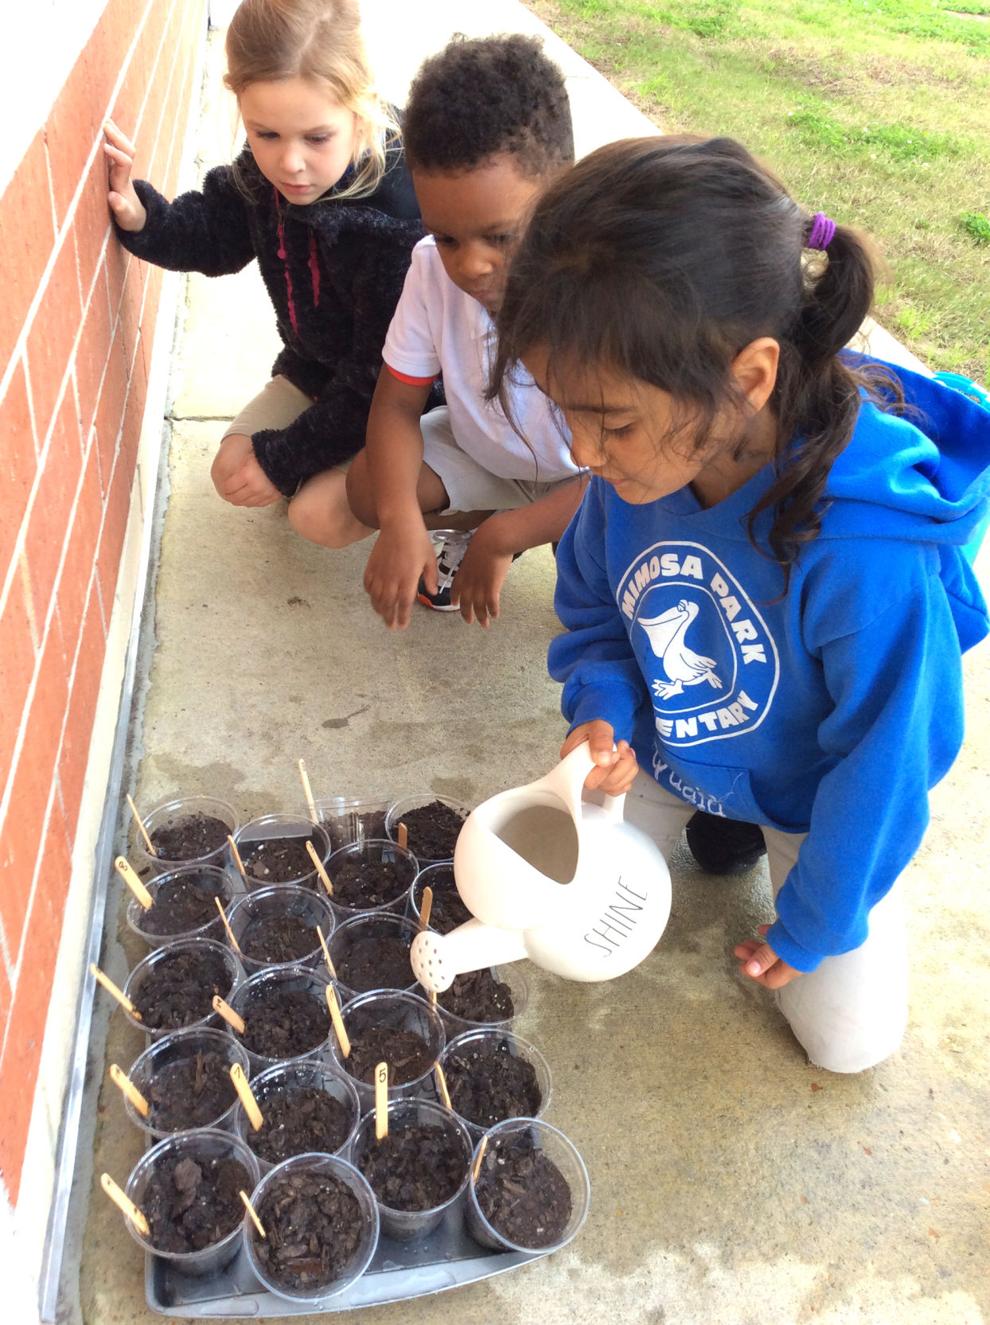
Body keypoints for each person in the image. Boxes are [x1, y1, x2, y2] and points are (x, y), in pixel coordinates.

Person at [489, 135, 990, 1073]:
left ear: (750, 376)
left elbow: (887, 757)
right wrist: (601, 716)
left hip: (817, 794)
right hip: (676, 756)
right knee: (554, 892)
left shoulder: (865, 550)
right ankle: (722, 823)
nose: (583, 454)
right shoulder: (635, 471)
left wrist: (813, 921)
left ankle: (805, 860)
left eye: (611, 422)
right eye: (567, 413)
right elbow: (596, 614)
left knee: (850, 1048)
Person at [104, 0, 428, 546]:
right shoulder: (266, 168)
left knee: (315, 517)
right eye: (266, 135)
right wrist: (144, 217)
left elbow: (380, 381)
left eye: (316, 138)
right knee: (230, 469)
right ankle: (333, 459)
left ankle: (461, 519)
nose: (290, 163)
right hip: (320, 372)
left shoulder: (396, 219)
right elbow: (215, 233)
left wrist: (286, 456)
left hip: (411, 402)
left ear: (360, 106)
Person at [342, 35, 587, 629]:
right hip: (489, 451)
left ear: (564, 189)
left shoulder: (602, 283)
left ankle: (510, 534)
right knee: (366, 489)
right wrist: (401, 523)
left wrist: (509, 535)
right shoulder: (431, 268)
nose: (470, 265)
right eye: (448, 236)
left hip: (594, 477)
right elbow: (395, 405)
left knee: (598, 593)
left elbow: (639, 465)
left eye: (501, 237)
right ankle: (474, 529)